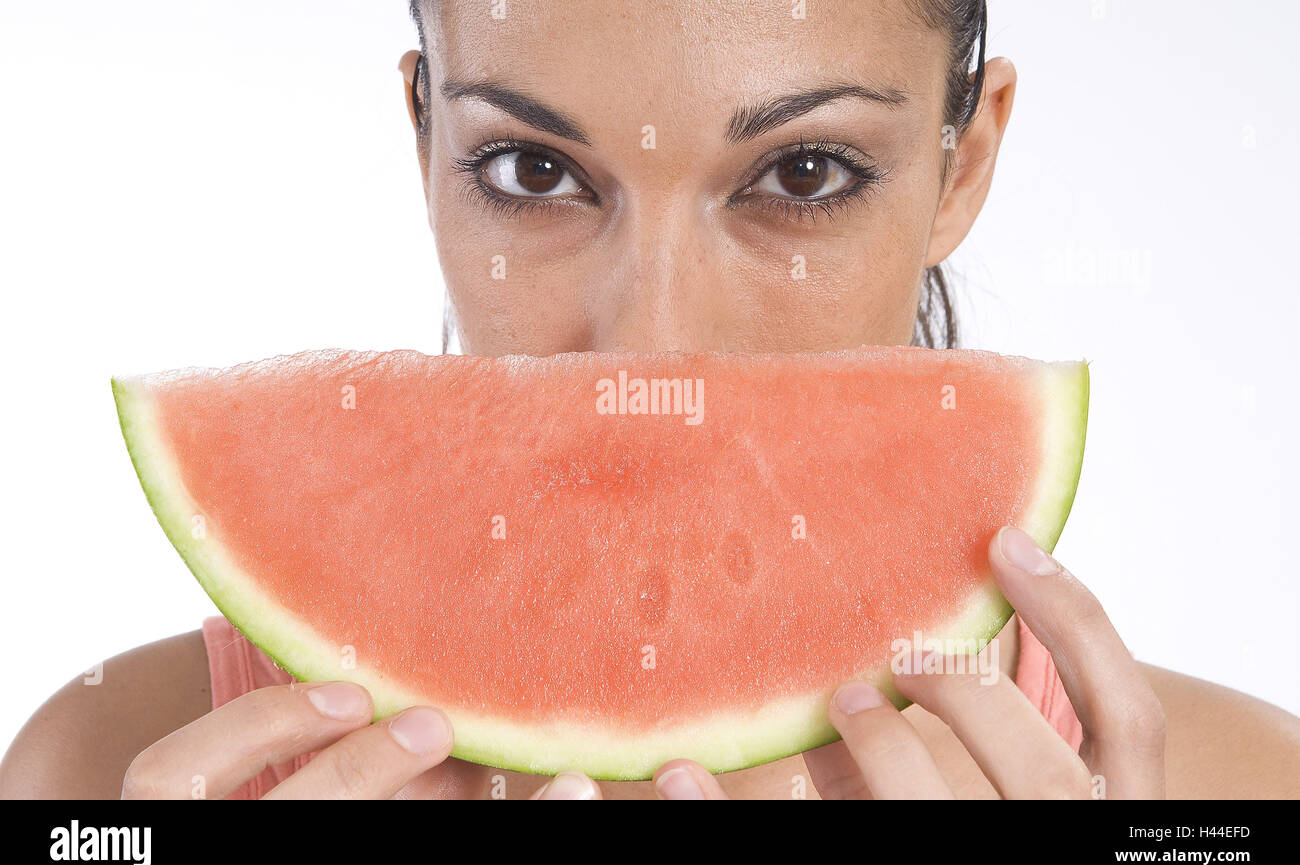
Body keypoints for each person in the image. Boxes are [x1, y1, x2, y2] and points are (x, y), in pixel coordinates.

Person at [3, 0, 1298, 800]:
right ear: (423, 136)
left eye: (802, 171)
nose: (655, 345)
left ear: (964, 164)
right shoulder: (103, 776)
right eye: (531, 168)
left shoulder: (1238, 793)